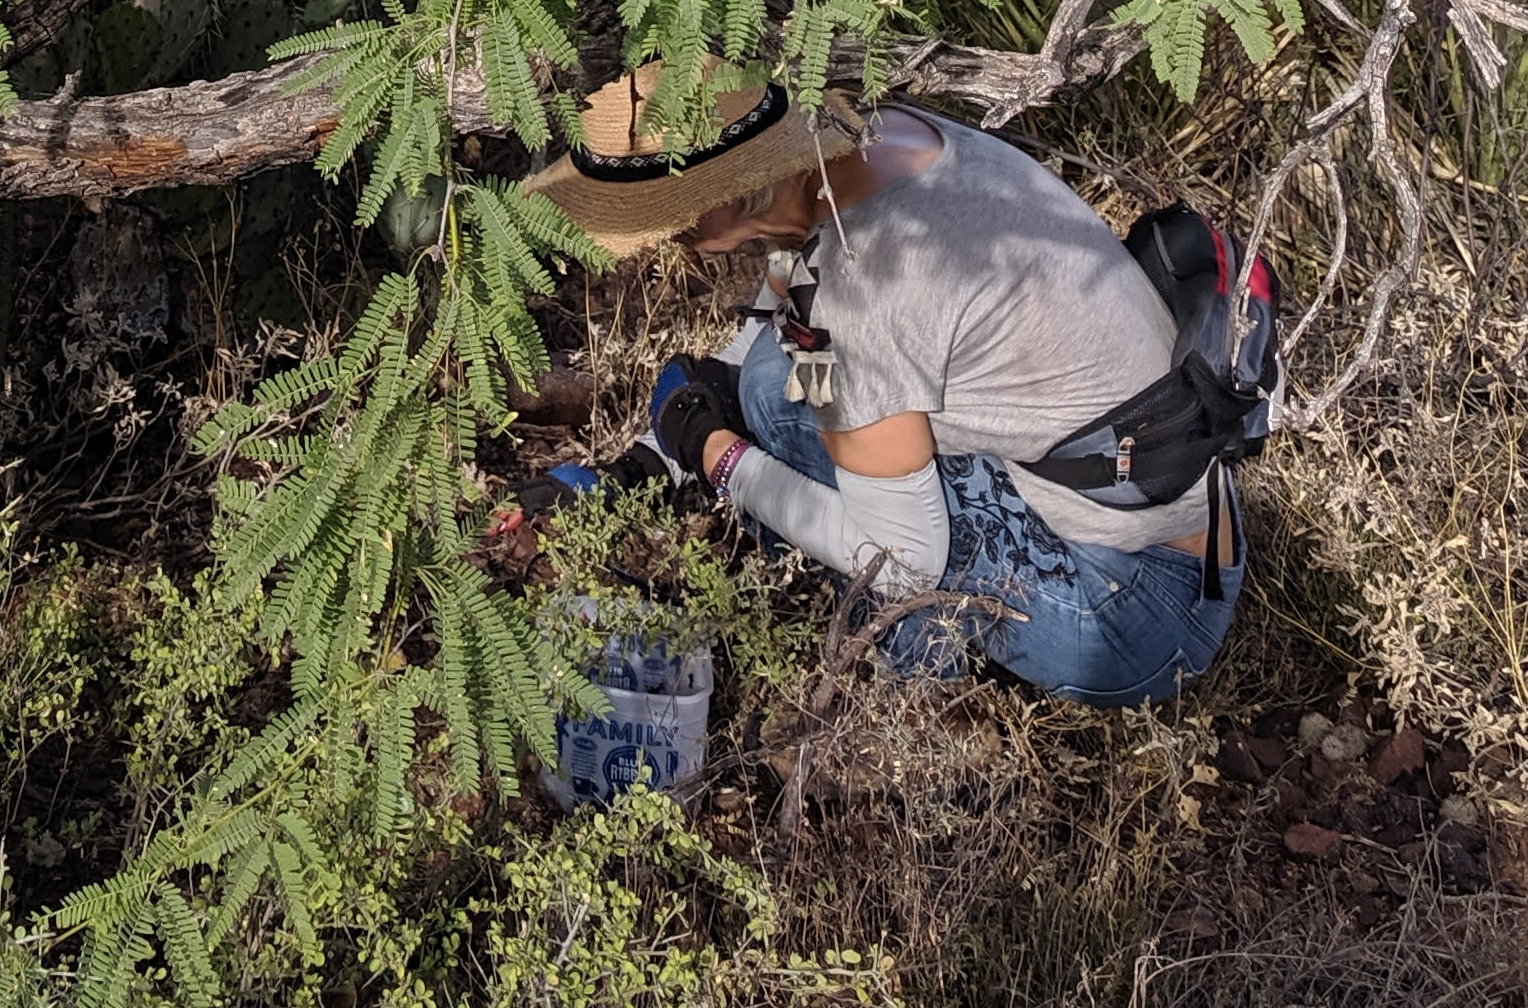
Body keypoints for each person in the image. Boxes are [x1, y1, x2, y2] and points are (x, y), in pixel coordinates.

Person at [523, 68, 1244, 710]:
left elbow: (904, 561)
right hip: (1175, 524)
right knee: (784, 384)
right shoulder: (878, 144)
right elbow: (783, 311)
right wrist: (647, 460)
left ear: (751, 188)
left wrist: (716, 455)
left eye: (675, 212)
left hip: (1138, 615)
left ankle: (901, 697)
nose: (657, 237)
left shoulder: (870, 282)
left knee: (795, 410)